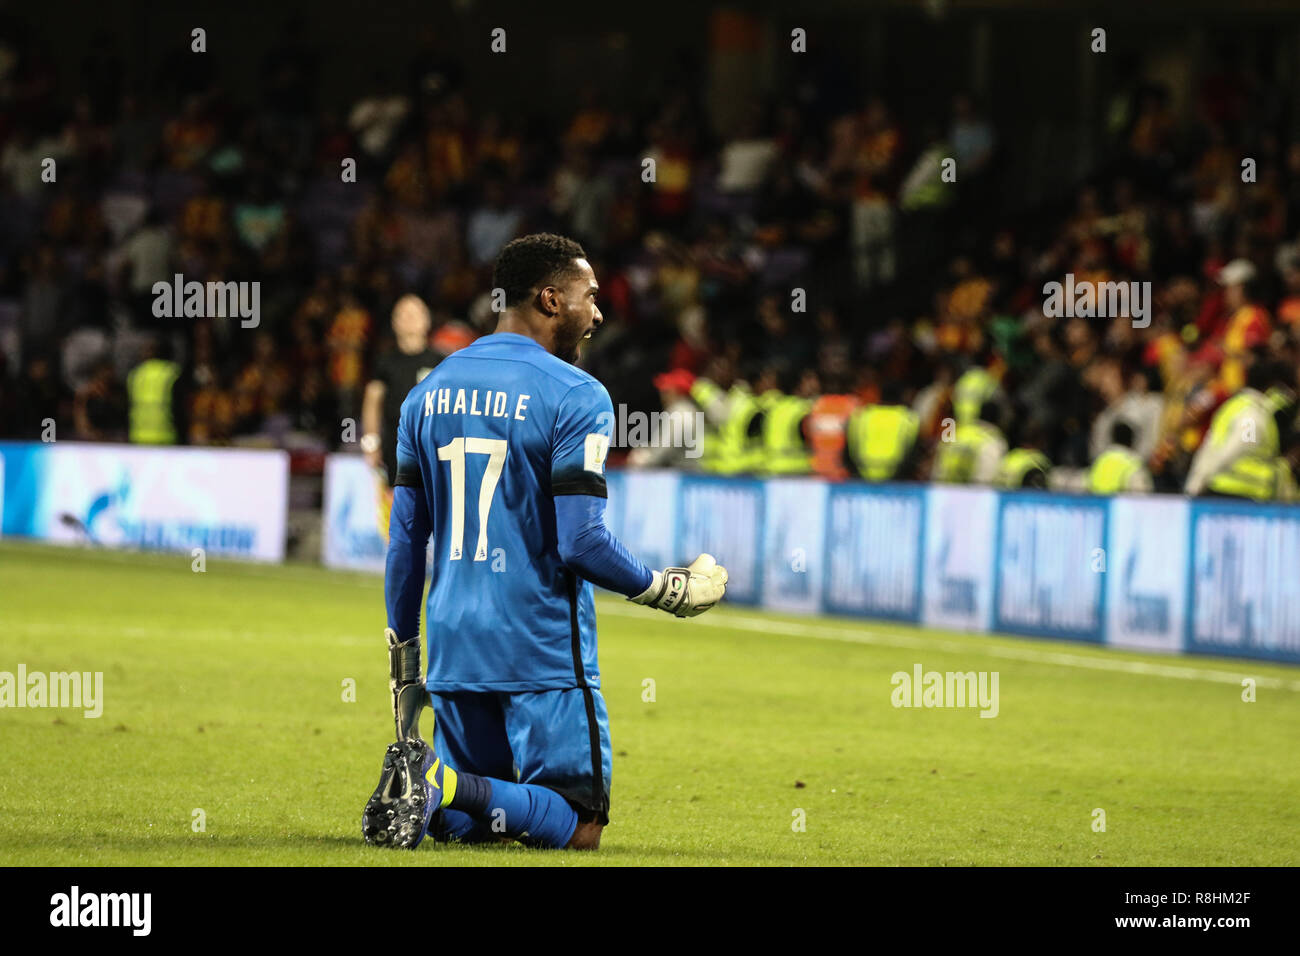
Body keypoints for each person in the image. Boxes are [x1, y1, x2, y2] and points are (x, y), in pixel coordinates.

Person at [367, 234, 729, 852]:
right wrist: (669, 590)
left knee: (487, 828)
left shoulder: (425, 394)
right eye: (590, 297)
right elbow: (581, 543)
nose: (600, 314)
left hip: (455, 646)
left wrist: (406, 653)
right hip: (540, 653)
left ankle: (438, 792)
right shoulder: (574, 394)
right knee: (579, 823)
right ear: (551, 299)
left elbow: (405, 541)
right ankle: (437, 782)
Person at [361, 295, 443, 540]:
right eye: (402, 315)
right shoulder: (385, 362)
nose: (408, 320)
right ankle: (401, 563)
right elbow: (372, 401)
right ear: (394, 323)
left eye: (414, 314)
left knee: (433, 506)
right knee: (397, 511)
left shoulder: (439, 361)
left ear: (426, 321)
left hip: (431, 447)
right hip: (396, 447)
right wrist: (371, 442)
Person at [1088, 420, 1153, 494]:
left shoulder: (1100, 459)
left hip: (1096, 504)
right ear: (1132, 440)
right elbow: (1141, 494)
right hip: (1120, 504)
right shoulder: (1133, 461)